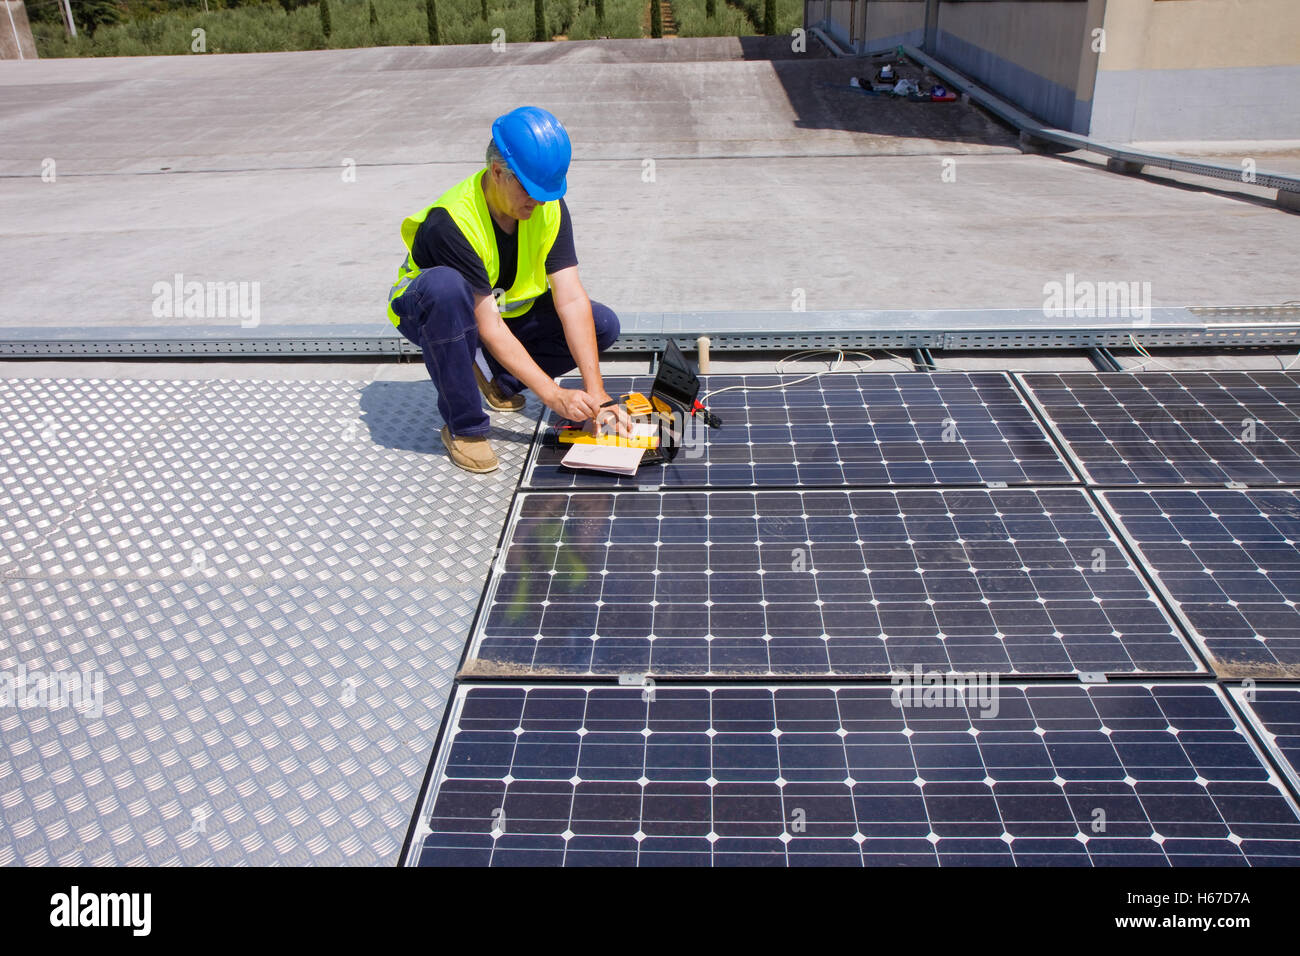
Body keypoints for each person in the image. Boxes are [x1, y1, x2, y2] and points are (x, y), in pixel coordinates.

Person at [386, 106, 627, 473]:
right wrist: (553, 394)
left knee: (602, 323)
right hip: (432, 309)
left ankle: (497, 380)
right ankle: (464, 427)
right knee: (446, 289)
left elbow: (572, 299)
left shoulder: (547, 208)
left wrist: (598, 394)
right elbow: (488, 325)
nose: (541, 201)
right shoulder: (452, 222)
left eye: (548, 192)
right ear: (498, 172)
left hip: (500, 312)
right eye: (531, 190)